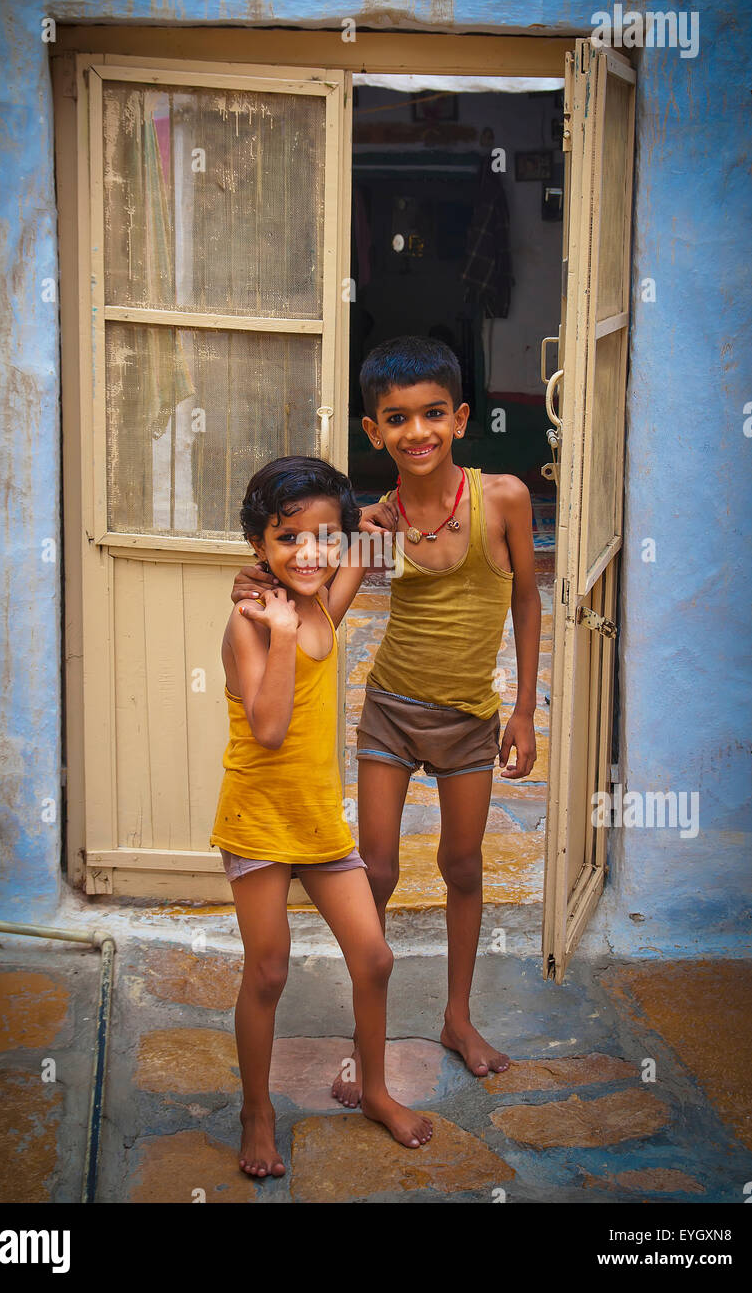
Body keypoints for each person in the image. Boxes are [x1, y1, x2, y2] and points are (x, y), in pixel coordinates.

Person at [231, 337, 540, 1104]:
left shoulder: (500, 497)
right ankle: (362, 1057)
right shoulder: (374, 522)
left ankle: (457, 1019)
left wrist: (525, 710)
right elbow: (315, 588)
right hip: (391, 715)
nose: (417, 432)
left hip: (470, 717)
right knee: (377, 872)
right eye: (396, 419)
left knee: (462, 868)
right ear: (374, 432)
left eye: (433, 414)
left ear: (460, 417)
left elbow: (528, 601)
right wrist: (262, 582)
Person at [213, 455, 434, 1179]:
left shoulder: (318, 605)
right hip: (258, 822)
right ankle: (257, 1110)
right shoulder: (250, 622)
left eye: (323, 537)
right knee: (269, 973)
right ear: (258, 547)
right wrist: (276, 630)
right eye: (287, 538)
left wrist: (371, 514)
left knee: (374, 958)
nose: (309, 552)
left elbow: (366, 547)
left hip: (317, 825)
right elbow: (270, 728)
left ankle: (372, 1090)